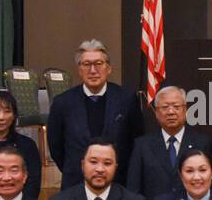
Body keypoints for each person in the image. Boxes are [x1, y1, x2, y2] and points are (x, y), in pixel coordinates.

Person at [45, 39, 143, 189]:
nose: (93, 70)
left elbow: (136, 141)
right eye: (86, 64)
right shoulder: (62, 103)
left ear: (109, 68)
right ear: (79, 70)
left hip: (118, 185)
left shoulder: (127, 99)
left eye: (98, 64)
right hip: (75, 186)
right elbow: (56, 148)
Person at [127, 85, 212, 200]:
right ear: (156, 113)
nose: (171, 112)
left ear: (185, 110)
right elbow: (133, 190)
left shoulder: (203, 143)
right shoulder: (142, 145)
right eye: (164, 107)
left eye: (176, 106)